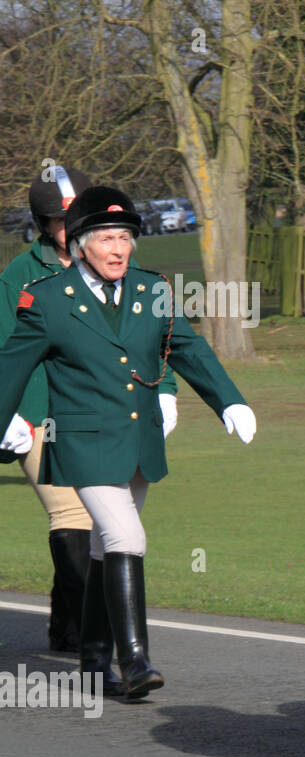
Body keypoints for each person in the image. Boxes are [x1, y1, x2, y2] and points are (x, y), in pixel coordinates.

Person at [0, 186, 256, 697]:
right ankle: (135, 658)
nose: (119, 249)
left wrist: (228, 400)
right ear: (78, 244)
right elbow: (11, 364)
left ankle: (94, 662)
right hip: (80, 443)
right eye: (106, 239)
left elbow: (187, 347)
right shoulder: (47, 298)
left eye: (125, 238)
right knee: (125, 538)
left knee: (101, 547)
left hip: (138, 440)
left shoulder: (152, 289)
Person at [0, 166, 180, 665]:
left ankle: (81, 634)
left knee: (101, 528)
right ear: (44, 224)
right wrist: (11, 415)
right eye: (60, 220)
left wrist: (163, 389)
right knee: (74, 515)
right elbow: (9, 352)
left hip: (109, 414)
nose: (69, 225)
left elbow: (150, 339)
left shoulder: (123, 271)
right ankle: (96, 637)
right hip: (41, 416)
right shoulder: (20, 275)